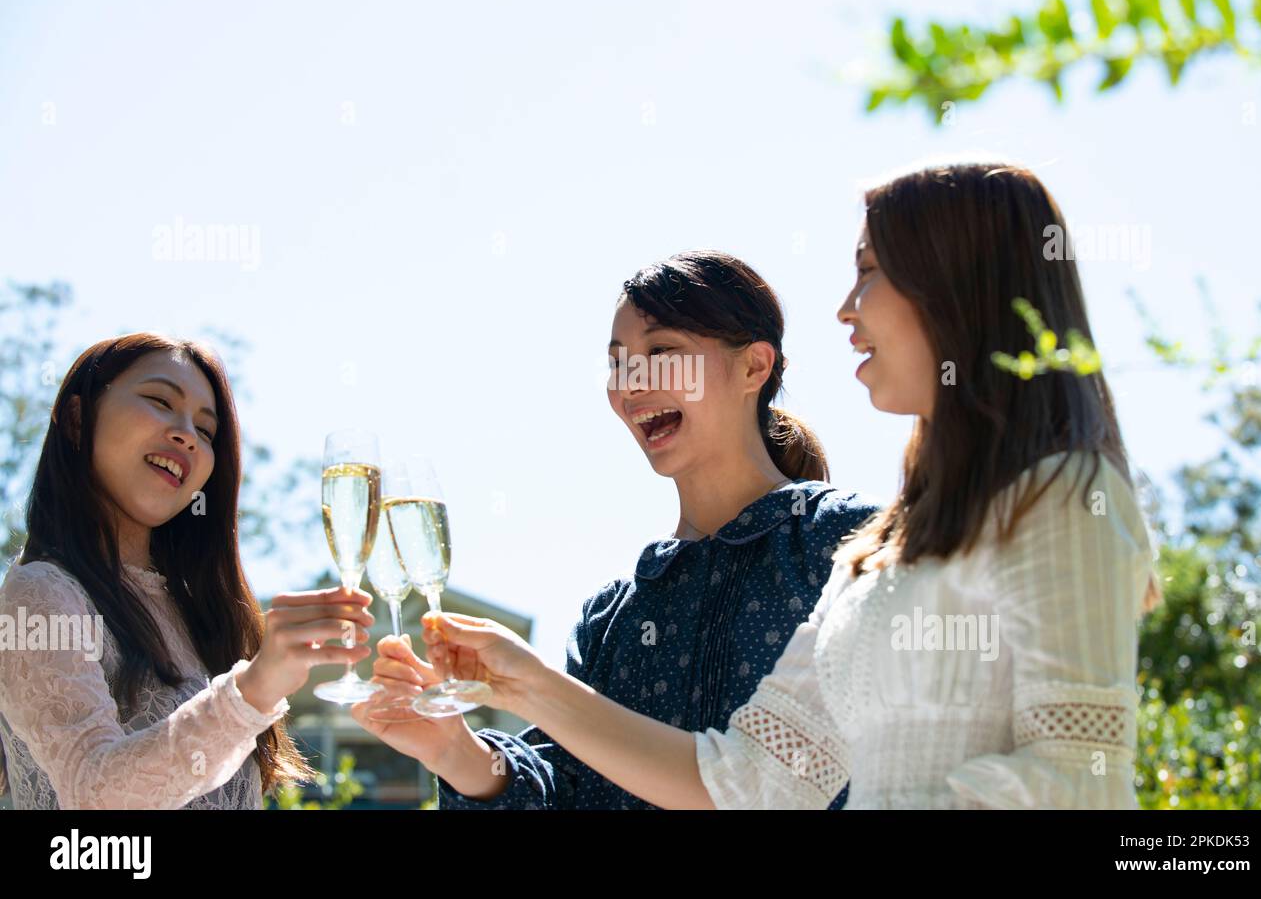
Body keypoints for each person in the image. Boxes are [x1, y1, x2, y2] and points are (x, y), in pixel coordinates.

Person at [376, 162, 1160, 808]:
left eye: (868, 272)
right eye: (617, 360)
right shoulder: (879, 552)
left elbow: (1075, 782)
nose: (845, 309)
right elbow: (746, 779)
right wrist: (521, 691)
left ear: (959, 284)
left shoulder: (1058, 494)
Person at [354, 251, 875, 808]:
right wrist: (454, 751)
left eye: (662, 352)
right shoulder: (610, 618)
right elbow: (561, 790)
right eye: (619, 362)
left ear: (753, 367)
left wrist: (532, 685)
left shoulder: (847, 543)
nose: (631, 385)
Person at [0, 333, 375, 809]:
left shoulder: (202, 616)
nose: (187, 436)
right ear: (77, 418)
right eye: (160, 400)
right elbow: (92, 793)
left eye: (206, 430)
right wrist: (254, 687)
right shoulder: (40, 594)